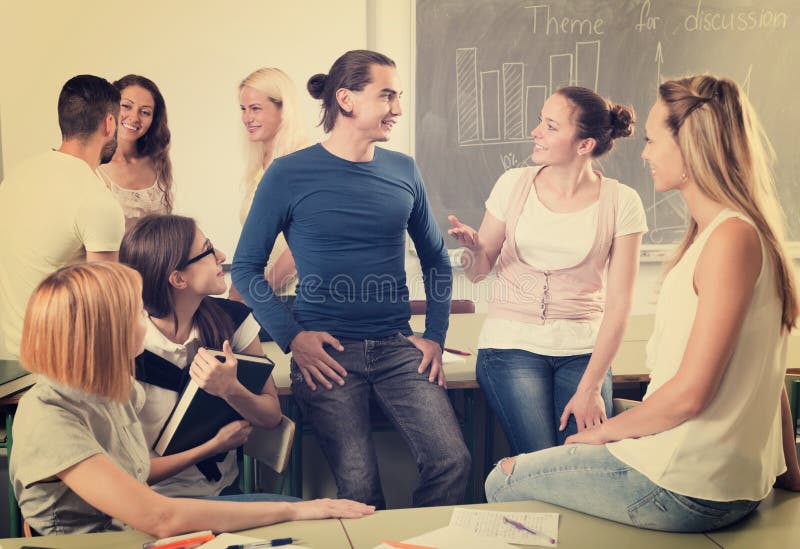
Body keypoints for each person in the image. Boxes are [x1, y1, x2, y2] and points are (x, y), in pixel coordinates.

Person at [485, 75, 800, 532]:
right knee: (596, 429)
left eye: (652, 141)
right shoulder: (741, 232)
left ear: (691, 147)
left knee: (504, 479)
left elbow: (690, 394)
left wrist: (598, 435)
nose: (645, 154)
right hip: (726, 482)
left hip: (686, 485)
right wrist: (790, 474)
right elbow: (768, 372)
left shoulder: (729, 240)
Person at [232, 50, 470, 509]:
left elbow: (437, 260)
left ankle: (417, 541)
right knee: (359, 488)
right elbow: (245, 268)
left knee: (453, 461)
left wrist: (435, 336)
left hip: (397, 347)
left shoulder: (404, 169)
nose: (397, 108)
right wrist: (293, 338)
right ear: (346, 99)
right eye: (387, 96)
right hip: (326, 354)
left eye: (397, 96)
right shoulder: (288, 174)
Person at [9, 262, 373, 536]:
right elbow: (160, 517)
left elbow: (136, 472)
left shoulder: (111, 389)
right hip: (102, 540)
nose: (146, 318)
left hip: (132, 531)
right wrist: (293, 511)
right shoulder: (49, 417)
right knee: (297, 514)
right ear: (105, 333)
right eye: (136, 312)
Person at [448, 87, 646, 454]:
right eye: (541, 121)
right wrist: (475, 251)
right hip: (510, 346)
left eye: (551, 126)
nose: (536, 132)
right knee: (541, 459)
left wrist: (591, 386)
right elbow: (477, 273)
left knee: (581, 454)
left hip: (584, 351)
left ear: (584, 145)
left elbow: (620, 305)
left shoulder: (622, 201)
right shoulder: (513, 184)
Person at [120, 214, 283, 499]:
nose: (221, 255)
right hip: (153, 501)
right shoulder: (125, 344)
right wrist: (213, 447)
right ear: (178, 278)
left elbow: (271, 417)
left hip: (224, 493)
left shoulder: (234, 321)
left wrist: (230, 389)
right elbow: (127, 473)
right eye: (207, 250)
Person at [0, 74, 125, 358]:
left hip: (10, 363)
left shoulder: (15, 178)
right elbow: (106, 310)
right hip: (61, 365)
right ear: (109, 124)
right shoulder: (96, 199)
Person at [229, 68, 309, 315]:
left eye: (255, 108)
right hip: (263, 299)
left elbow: (299, 249)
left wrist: (256, 295)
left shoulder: (303, 164)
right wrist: (235, 294)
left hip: (293, 300)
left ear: (283, 109)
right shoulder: (259, 166)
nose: (247, 118)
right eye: (243, 109)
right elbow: (251, 243)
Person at [98, 74, 173, 229]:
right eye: (126, 106)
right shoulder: (93, 166)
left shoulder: (159, 162)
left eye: (145, 112)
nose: (134, 117)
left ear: (153, 120)